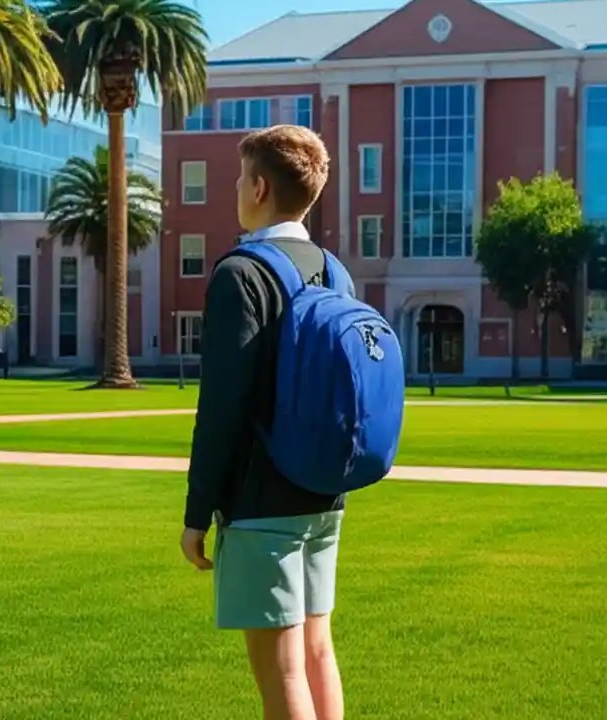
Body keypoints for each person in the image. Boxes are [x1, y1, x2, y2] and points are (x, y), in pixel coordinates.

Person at [180, 125, 345, 720]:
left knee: (279, 668)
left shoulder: (240, 274)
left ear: (256, 186)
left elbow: (222, 406)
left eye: (235, 177)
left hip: (261, 499)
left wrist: (197, 514)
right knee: (318, 652)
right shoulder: (335, 270)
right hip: (325, 494)